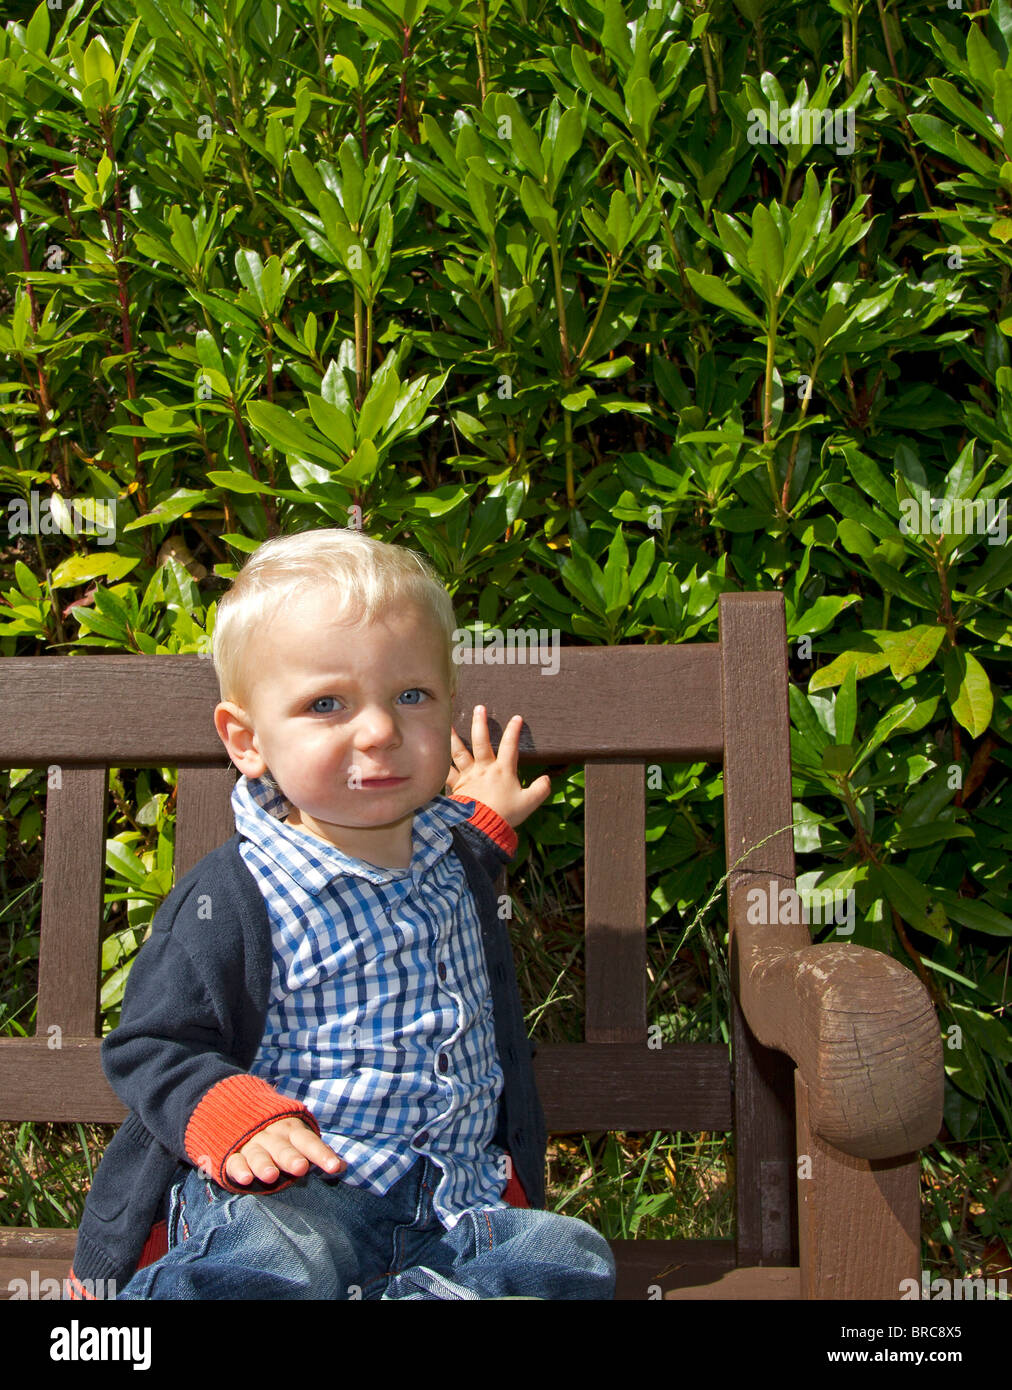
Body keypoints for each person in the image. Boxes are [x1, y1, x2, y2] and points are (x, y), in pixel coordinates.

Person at [68, 528, 615, 1300]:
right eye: (328, 704)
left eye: (412, 697)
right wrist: (236, 1116)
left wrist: (488, 816)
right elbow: (151, 1043)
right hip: (294, 1199)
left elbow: (465, 852)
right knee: (268, 1263)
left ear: (449, 707)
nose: (382, 731)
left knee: (568, 1256)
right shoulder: (235, 897)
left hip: (450, 1207)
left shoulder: (451, 856)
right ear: (248, 740)